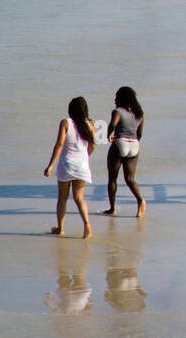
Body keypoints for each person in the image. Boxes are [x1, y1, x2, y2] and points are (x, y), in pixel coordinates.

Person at [43, 96, 95, 238]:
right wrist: (85, 158)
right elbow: (92, 146)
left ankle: (60, 228)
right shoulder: (90, 124)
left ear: (71, 109)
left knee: (62, 198)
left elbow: (59, 144)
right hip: (83, 166)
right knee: (79, 197)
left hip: (66, 165)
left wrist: (50, 166)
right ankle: (87, 224)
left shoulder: (66, 122)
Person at [104, 86, 146, 217]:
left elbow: (113, 124)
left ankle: (112, 208)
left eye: (117, 96)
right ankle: (140, 200)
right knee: (130, 179)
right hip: (134, 145)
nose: (115, 99)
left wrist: (107, 135)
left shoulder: (118, 111)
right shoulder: (139, 114)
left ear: (122, 98)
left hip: (120, 144)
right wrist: (132, 139)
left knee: (112, 178)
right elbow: (139, 134)